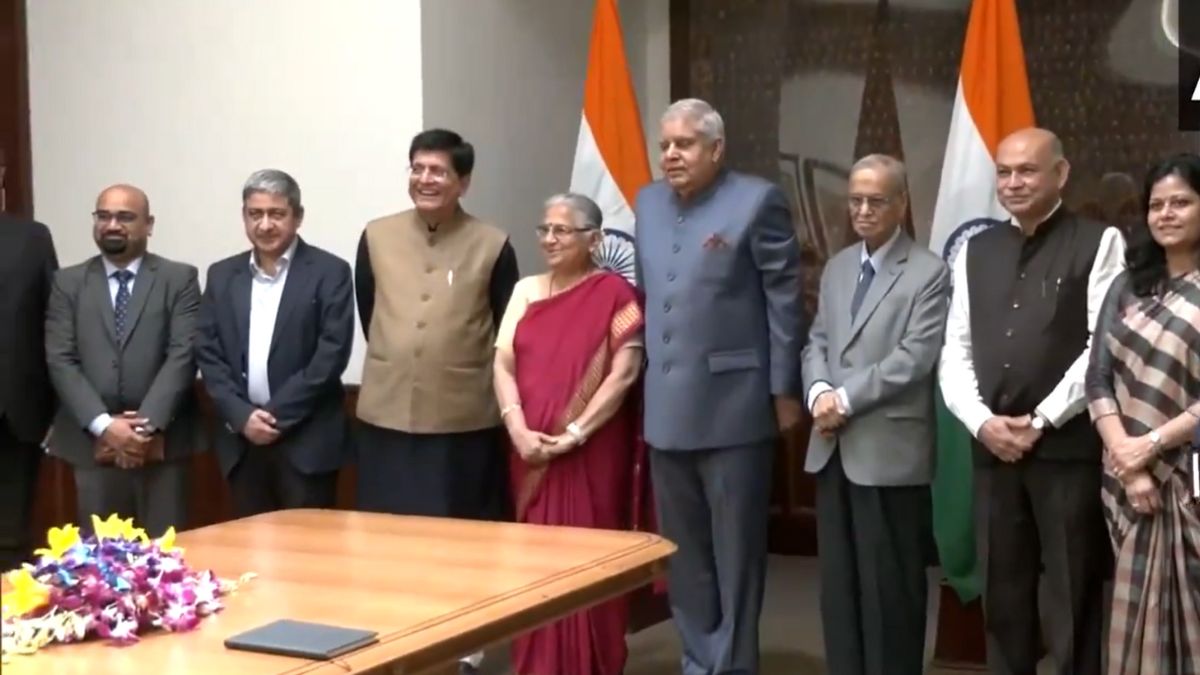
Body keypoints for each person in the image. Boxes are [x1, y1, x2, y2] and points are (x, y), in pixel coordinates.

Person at [939, 127, 1126, 675]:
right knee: (1004, 599)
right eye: (1004, 172)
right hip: (992, 451)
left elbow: (1102, 344)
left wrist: (1040, 419)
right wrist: (981, 423)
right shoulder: (976, 248)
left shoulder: (1099, 240)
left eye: (1027, 170)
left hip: (1065, 450)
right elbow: (956, 349)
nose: (1013, 182)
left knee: (1072, 599)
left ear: (1060, 175)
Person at [635, 98, 805, 675]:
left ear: (716, 148)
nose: (671, 155)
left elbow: (785, 299)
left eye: (684, 144)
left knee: (735, 556)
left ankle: (732, 666)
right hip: (664, 409)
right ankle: (696, 661)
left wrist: (785, 391)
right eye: (664, 145)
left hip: (735, 408)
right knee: (684, 555)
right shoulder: (648, 202)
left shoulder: (756, 201)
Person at [353, 129, 519, 673]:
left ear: (462, 182)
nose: (425, 179)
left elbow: (505, 333)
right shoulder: (375, 236)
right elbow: (368, 307)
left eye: (439, 172)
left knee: (458, 540)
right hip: (386, 414)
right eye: (417, 168)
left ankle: (462, 645)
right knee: (388, 537)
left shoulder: (492, 244)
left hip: (461, 418)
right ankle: (393, 636)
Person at [802, 154, 950, 675]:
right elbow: (818, 339)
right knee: (840, 593)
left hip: (889, 453)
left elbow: (913, 359)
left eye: (876, 200)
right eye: (856, 200)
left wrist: (842, 400)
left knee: (891, 593)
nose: (863, 210)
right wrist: (818, 389)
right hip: (832, 449)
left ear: (902, 204)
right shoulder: (840, 266)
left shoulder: (929, 272)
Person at [492, 192, 645, 675]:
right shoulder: (525, 290)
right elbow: (502, 362)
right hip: (529, 449)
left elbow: (625, 371)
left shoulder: (615, 294)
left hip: (592, 450)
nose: (550, 239)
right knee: (535, 561)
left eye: (562, 230)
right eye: (545, 230)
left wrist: (576, 432)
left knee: (589, 558)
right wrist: (516, 426)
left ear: (595, 239)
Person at [1085, 152, 1200, 673]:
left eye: (1181, 202)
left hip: (1190, 477)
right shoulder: (1128, 286)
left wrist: (1149, 448)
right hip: (1126, 475)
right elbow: (1098, 379)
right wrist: (1127, 459)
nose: (1167, 214)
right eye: (1157, 205)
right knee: (1135, 611)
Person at [195, 169, 355, 517]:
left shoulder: (330, 272)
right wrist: (243, 417)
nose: (265, 225)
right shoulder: (222, 275)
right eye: (255, 214)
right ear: (244, 217)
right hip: (241, 442)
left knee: (308, 555)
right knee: (249, 555)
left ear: (297, 217)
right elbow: (208, 351)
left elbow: (331, 355)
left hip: (306, 442)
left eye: (276, 214)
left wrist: (273, 417)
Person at [44, 184, 200, 536]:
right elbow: (60, 359)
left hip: (163, 445)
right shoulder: (67, 282)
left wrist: (143, 428)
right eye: (104, 216)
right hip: (91, 443)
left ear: (149, 224)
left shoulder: (179, 279)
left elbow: (183, 354)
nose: (112, 224)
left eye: (125, 217)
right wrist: (105, 426)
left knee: (166, 561)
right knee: (101, 567)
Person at [0, 209, 58, 570]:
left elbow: (54, 320)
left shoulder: (32, 237)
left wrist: (57, 407)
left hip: (16, 411)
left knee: (11, 538)